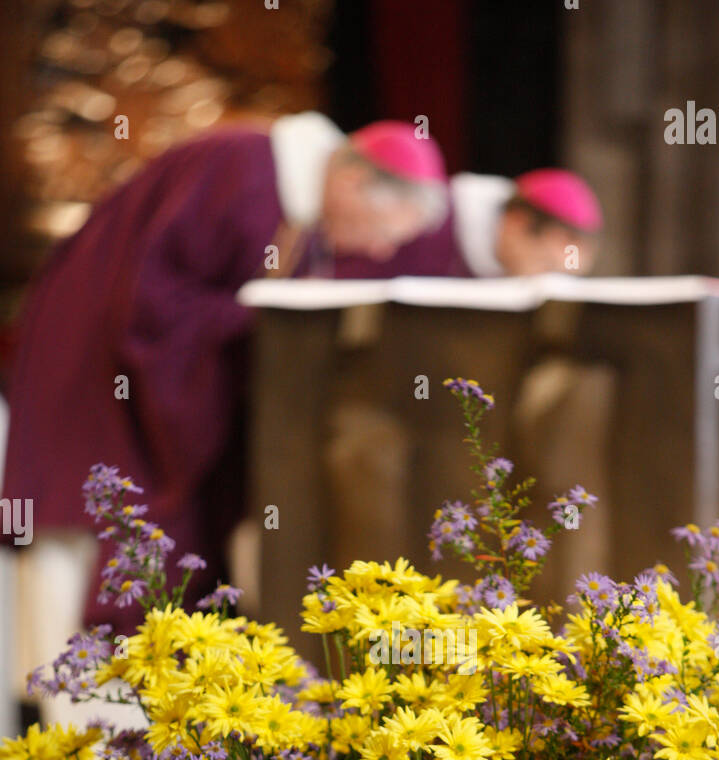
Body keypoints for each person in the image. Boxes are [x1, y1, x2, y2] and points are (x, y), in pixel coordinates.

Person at [1, 112, 447, 637]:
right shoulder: (240, 167)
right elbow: (154, 304)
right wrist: (265, 316)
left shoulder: (300, 215)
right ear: (354, 183)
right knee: (96, 530)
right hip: (96, 374)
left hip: (143, 388)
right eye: (384, 233)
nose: (380, 252)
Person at [331, 166, 603, 280]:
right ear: (518, 222)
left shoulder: (499, 277)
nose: (541, 284)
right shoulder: (423, 222)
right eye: (545, 266)